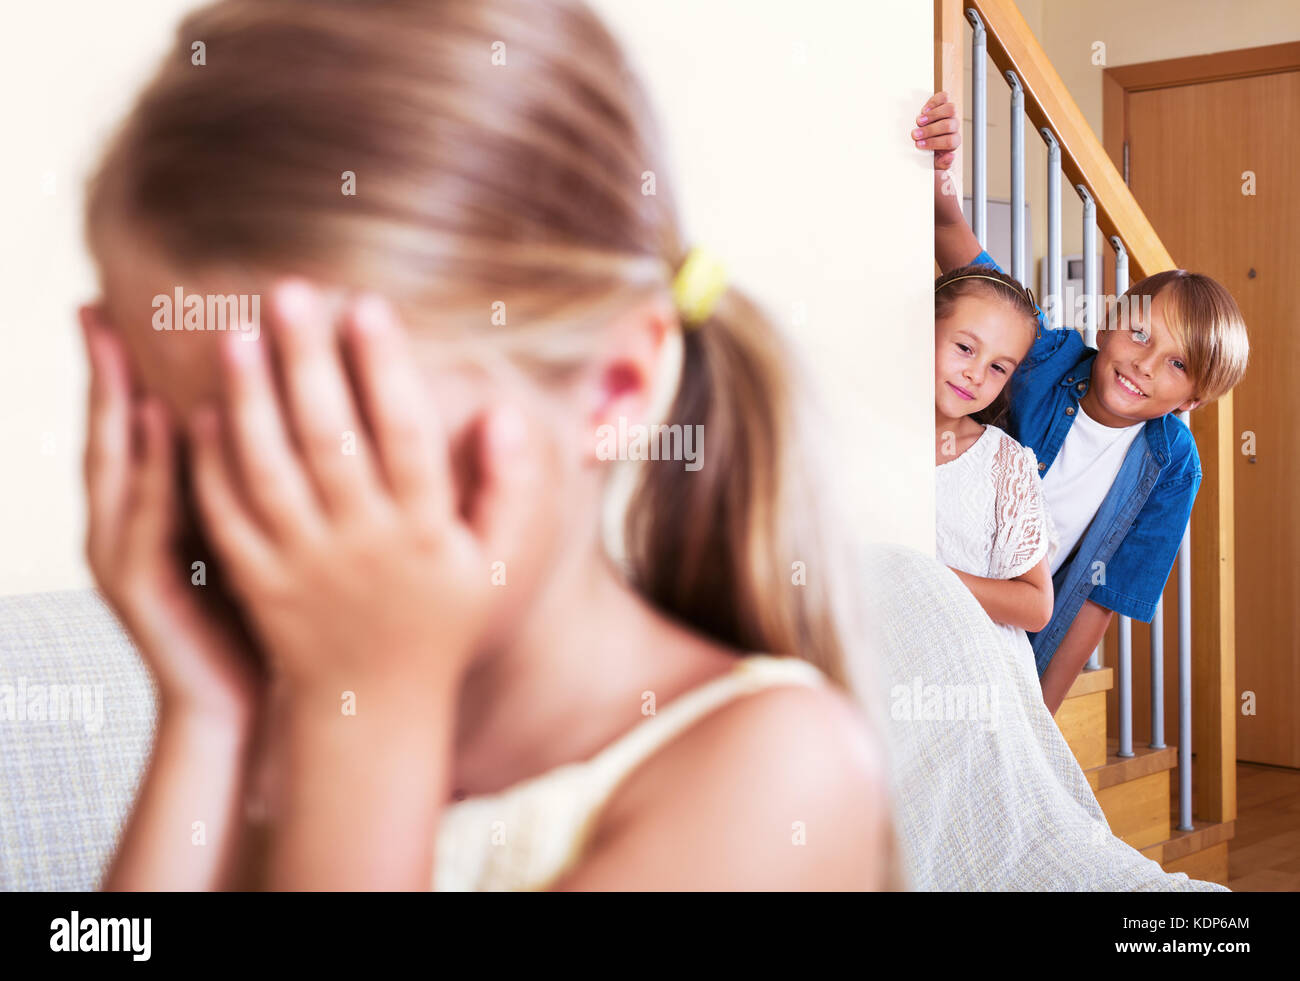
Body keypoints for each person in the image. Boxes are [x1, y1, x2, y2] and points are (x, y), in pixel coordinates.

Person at [81, 0, 901, 891]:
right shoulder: (281, 714)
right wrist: (202, 712)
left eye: (309, 445)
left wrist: (371, 716)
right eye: (170, 435)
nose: (233, 518)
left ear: (615, 390)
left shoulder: (780, 769)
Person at [912, 91, 1249, 712]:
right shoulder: (1046, 355)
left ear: (1193, 398)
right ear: (1108, 322)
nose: (1144, 365)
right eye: (1140, 334)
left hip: (1014, 629)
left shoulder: (1174, 464)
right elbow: (966, 263)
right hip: (934, 584)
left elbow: (1103, 599)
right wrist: (940, 171)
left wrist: (1039, 714)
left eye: (1176, 365)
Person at [932, 263, 1059, 662]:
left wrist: (929, 579)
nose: (975, 374)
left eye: (998, 367)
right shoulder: (855, 436)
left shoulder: (1003, 463)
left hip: (975, 674)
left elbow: (1037, 606)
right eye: (965, 348)